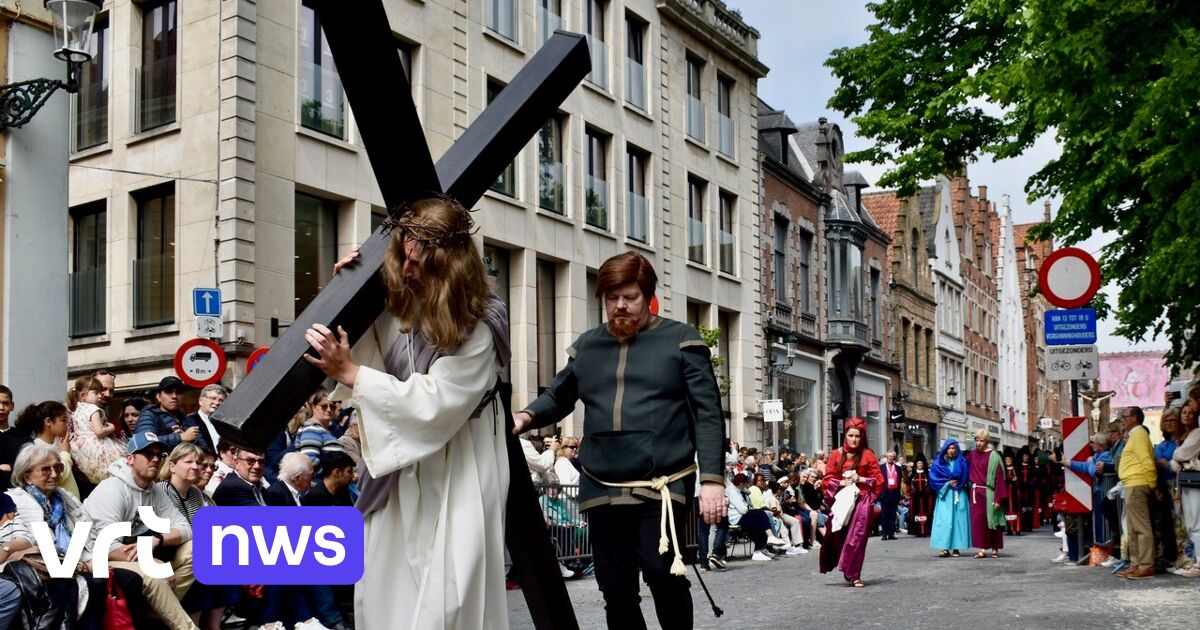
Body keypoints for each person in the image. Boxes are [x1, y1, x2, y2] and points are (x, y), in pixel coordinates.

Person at [307, 196, 513, 629]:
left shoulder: (480, 319)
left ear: (449, 266)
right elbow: (370, 356)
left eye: (420, 263)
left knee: (452, 593)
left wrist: (353, 375)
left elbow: (439, 401)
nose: (407, 269)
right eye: (403, 256)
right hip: (398, 462)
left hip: (461, 461)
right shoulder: (397, 301)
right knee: (388, 588)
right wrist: (343, 291)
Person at [510, 251, 726, 629]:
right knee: (615, 587)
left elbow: (707, 414)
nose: (620, 306)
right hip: (601, 482)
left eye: (630, 297)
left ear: (648, 295)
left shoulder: (682, 341)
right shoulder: (588, 346)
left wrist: (711, 480)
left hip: (662, 482)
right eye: (612, 298)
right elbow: (558, 397)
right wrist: (526, 416)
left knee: (662, 573)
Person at [81, 432, 197, 629]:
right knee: (154, 573)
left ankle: (156, 611)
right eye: (147, 454)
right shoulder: (113, 489)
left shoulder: (154, 490)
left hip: (130, 553)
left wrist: (158, 540)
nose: (155, 459)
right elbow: (106, 545)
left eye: (159, 455)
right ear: (130, 458)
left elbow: (185, 528)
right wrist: (148, 558)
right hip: (97, 556)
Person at [157, 443, 239, 630]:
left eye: (198, 462)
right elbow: (176, 532)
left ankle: (213, 625)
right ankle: (194, 624)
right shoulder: (162, 490)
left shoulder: (194, 493)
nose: (196, 467)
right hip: (169, 555)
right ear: (172, 466)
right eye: (189, 462)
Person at [818, 417, 884, 588]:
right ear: (845, 435)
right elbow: (827, 480)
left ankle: (854, 574)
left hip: (862, 500)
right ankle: (839, 562)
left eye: (857, 436)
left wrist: (860, 478)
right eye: (851, 435)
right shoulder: (835, 454)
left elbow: (878, 480)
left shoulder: (868, 454)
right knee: (835, 536)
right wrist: (840, 483)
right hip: (841, 500)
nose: (854, 439)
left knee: (858, 538)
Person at [1115, 406, 1157, 579]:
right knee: (1133, 528)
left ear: (1134, 418)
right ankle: (1136, 563)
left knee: (1141, 527)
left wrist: (1152, 484)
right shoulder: (1134, 435)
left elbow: (1146, 460)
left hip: (1137, 483)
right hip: (1131, 483)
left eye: (1124, 416)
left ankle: (1146, 565)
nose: (1122, 419)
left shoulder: (1139, 435)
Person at [15, 400, 82, 499]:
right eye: (63, 420)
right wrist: (65, 454)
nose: (67, 425)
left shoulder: (59, 444)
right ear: (48, 422)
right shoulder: (37, 448)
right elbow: (57, 476)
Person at [68, 376, 126, 486]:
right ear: (83, 395)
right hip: (97, 445)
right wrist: (111, 428)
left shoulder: (77, 409)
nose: (100, 395)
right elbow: (99, 432)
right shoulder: (93, 409)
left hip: (82, 447)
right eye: (96, 393)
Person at [965, 429, 1007, 558]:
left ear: (987, 441)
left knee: (993, 520)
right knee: (979, 522)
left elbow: (1000, 479)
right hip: (976, 493)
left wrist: (998, 499)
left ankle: (995, 548)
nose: (978, 443)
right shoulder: (971, 455)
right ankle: (982, 548)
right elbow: (962, 467)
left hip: (990, 493)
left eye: (981, 440)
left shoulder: (994, 456)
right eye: (976, 440)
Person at [1171, 400, 1200, 575]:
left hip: (1194, 482)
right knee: (1190, 523)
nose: (1187, 415)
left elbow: (1179, 455)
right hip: (1186, 482)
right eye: (1184, 412)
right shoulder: (1183, 436)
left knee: (1195, 522)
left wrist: (1184, 461)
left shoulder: (1196, 433)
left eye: (1191, 412)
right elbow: (1178, 461)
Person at [929, 438, 970, 557]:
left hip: (959, 494)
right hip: (945, 495)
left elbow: (967, 476)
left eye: (953, 448)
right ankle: (945, 547)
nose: (951, 451)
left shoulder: (962, 462)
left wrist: (960, 484)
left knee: (958, 521)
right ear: (945, 450)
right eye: (949, 448)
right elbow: (933, 479)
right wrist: (947, 483)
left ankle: (957, 547)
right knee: (945, 521)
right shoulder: (938, 463)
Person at [135, 376, 200, 449]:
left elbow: (202, 447)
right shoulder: (149, 415)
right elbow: (144, 442)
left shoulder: (187, 420)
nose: (174, 396)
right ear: (158, 397)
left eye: (178, 392)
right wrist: (180, 437)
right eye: (169, 392)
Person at [181, 384, 226, 451]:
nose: (217, 403)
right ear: (201, 401)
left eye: (221, 400)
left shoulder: (225, 423)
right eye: (213, 398)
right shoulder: (189, 420)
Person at [907, 453, 933, 537]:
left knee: (926, 512)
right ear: (916, 464)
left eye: (921, 463)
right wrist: (913, 491)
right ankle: (917, 530)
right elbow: (909, 485)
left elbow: (930, 484)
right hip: (916, 498)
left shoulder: (927, 474)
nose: (920, 465)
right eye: (918, 463)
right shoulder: (913, 474)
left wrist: (926, 491)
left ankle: (926, 530)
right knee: (916, 513)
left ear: (923, 464)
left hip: (925, 497)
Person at [879, 450, 904, 540]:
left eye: (892, 456)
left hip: (894, 493)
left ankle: (891, 533)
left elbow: (900, 480)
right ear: (886, 457)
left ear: (894, 457)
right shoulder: (881, 467)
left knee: (893, 514)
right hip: (885, 493)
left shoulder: (898, 468)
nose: (890, 458)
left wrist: (900, 495)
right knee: (884, 514)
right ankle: (884, 534)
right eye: (889, 456)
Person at [1003, 454, 1022, 535]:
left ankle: (1017, 528)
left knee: (1016, 510)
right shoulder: (1004, 469)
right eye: (1006, 459)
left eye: (1009, 459)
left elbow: (1018, 480)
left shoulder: (1016, 469)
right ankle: (1009, 529)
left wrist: (1014, 481)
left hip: (1014, 492)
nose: (1007, 461)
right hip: (1006, 492)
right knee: (1007, 510)